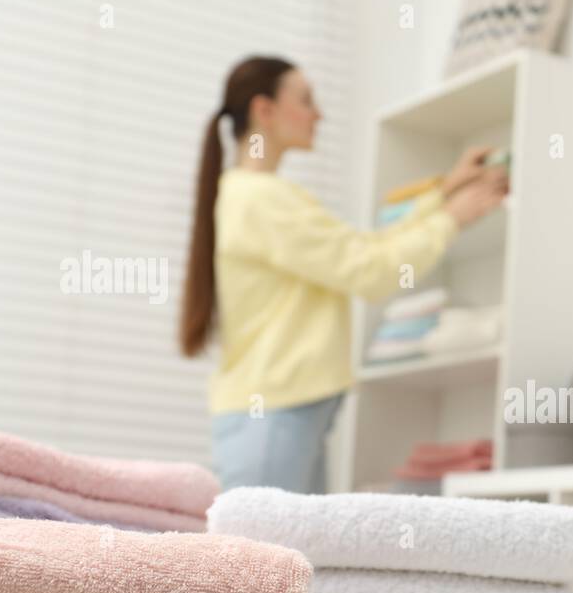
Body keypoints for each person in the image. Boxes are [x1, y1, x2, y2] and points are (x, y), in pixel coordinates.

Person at [179, 55, 507, 493]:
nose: (320, 114)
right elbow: (371, 271)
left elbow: (363, 250)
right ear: (265, 110)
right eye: (307, 100)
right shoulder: (259, 199)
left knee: (294, 559)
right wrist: (450, 218)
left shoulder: (259, 197)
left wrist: (442, 197)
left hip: (283, 413)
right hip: (275, 414)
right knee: (268, 559)